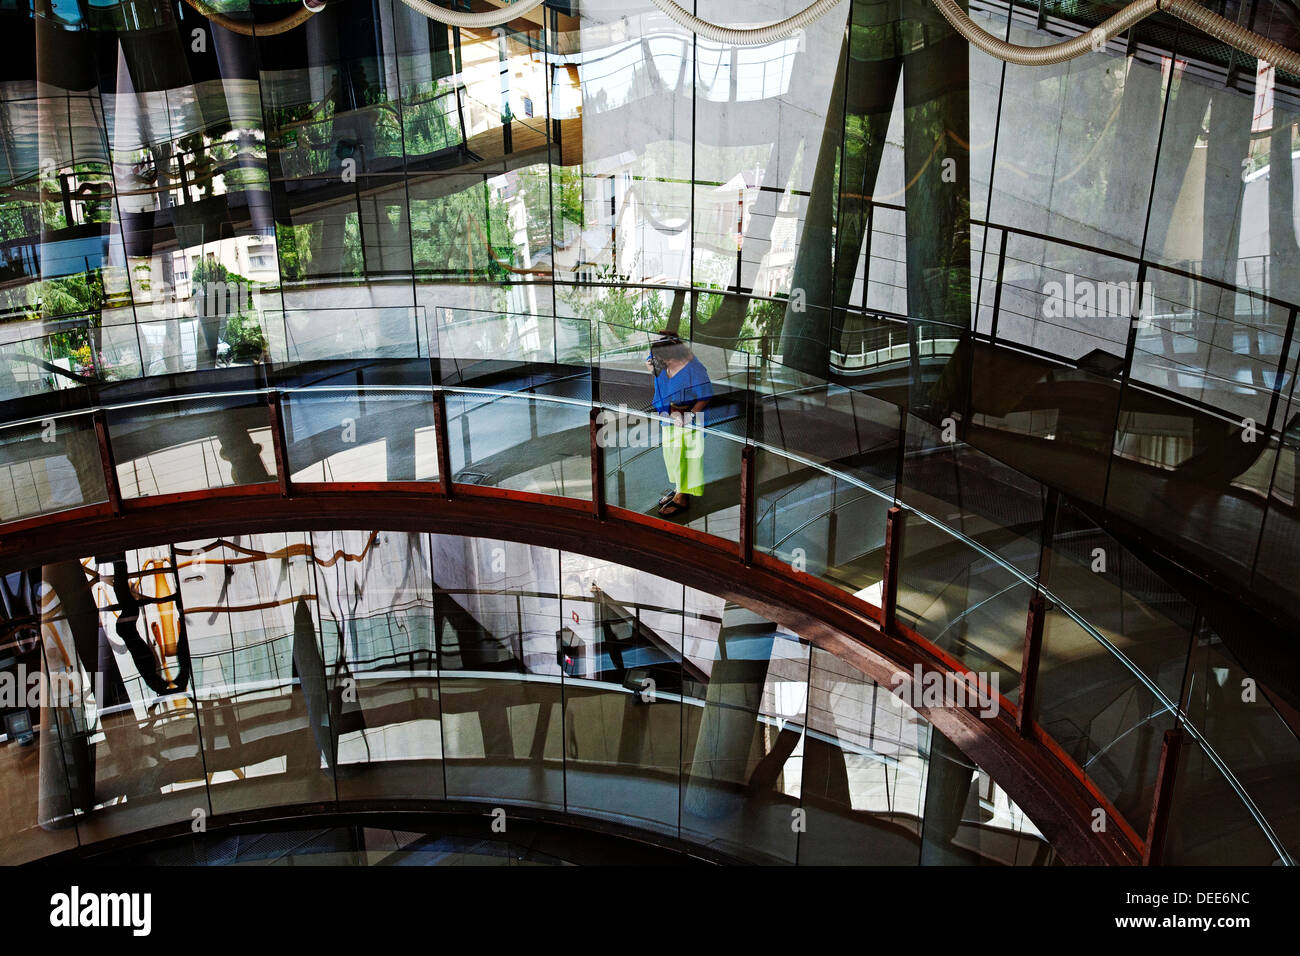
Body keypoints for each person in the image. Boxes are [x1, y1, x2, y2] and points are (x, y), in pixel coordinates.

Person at [645, 335, 712, 517]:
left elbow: (706, 396)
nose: (662, 362)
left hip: (688, 418)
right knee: (673, 455)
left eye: (665, 359)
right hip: (669, 416)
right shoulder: (663, 361)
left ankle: (682, 497)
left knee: (686, 458)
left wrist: (689, 417)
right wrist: (652, 366)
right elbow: (651, 358)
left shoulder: (694, 369)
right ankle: (679, 488)